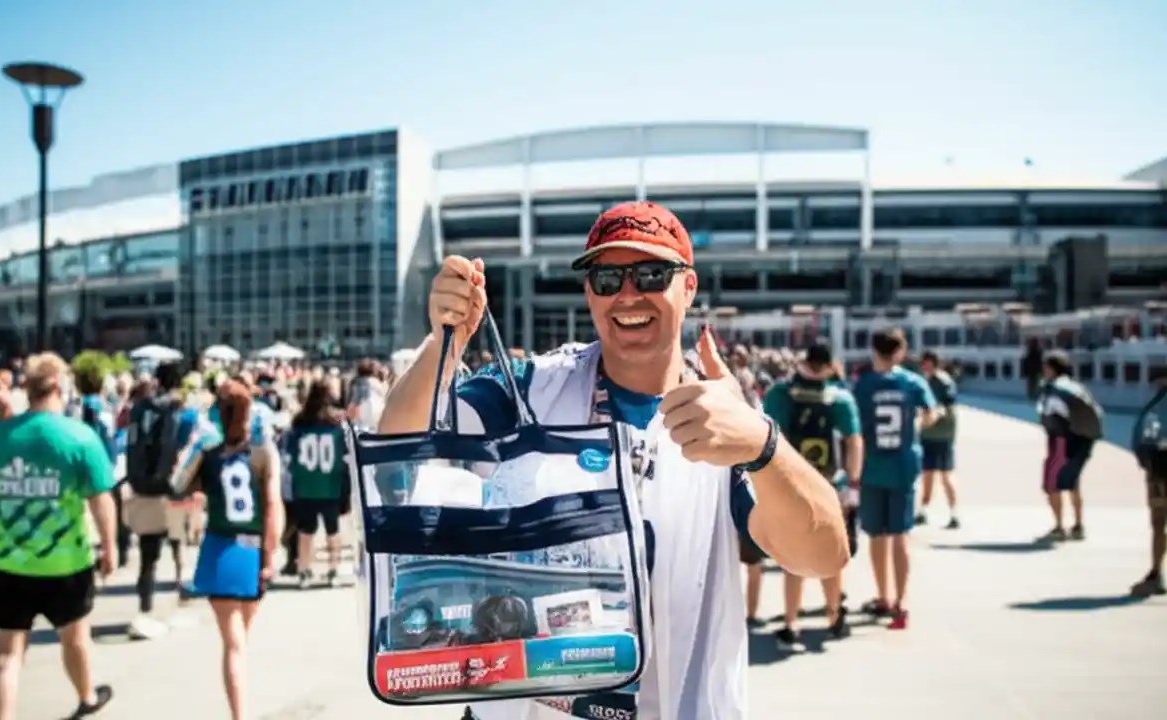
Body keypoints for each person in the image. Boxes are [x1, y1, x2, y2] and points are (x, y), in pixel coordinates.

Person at [377, 201, 849, 719]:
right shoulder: (533, 387)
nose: (628, 294)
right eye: (607, 278)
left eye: (651, 274)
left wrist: (763, 445)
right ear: (589, 292)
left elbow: (823, 556)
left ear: (687, 288)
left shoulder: (723, 417)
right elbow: (398, 439)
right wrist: (445, 340)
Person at [0, 353, 116, 720]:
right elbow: (101, 500)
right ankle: (86, 696)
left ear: (26, 389)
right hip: (66, 562)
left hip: (6, 561)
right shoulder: (80, 436)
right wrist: (110, 546)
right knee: (75, 638)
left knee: (7, 653)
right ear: (61, 386)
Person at [170, 380, 282, 720]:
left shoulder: (209, 453)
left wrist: (193, 448)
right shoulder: (263, 452)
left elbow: (176, 489)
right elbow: (273, 506)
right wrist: (271, 555)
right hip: (253, 551)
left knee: (232, 644)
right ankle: (239, 705)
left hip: (219, 548)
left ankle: (238, 713)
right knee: (241, 640)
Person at [762, 342, 863, 650]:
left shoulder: (779, 393)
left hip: (789, 486)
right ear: (830, 365)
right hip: (830, 486)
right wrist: (853, 484)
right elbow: (854, 442)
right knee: (831, 554)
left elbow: (765, 436)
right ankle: (834, 618)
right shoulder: (841, 398)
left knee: (793, 557)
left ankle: (791, 622)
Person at [853, 328, 940, 631]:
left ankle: (883, 595)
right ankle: (902, 602)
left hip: (872, 467)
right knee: (900, 536)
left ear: (873, 351)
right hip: (904, 465)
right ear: (900, 352)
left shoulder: (863, 385)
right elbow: (932, 414)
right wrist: (915, 424)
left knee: (876, 535)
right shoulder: (912, 382)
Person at [123, 363, 194, 640]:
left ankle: (145, 610)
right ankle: (179, 602)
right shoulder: (182, 411)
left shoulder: (140, 408)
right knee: (179, 545)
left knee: (147, 555)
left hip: (143, 485)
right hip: (173, 485)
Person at [283, 378, 352, 588]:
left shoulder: (300, 422)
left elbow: (290, 454)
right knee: (333, 530)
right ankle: (333, 570)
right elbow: (345, 455)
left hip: (305, 484)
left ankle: (304, 571)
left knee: (305, 532)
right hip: (330, 484)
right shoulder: (335, 424)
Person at [1036, 351, 1103, 542]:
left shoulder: (1054, 390)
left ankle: (1059, 527)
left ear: (1052, 369)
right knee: (1073, 483)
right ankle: (1078, 525)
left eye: (1046, 367)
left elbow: (1048, 413)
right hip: (1083, 441)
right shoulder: (1077, 387)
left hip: (1061, 442)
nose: (1044, 370)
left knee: (1051, 484)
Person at [1131, 367, 1167, 597]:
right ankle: (1155, 574)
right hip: (1159, 469)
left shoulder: (1157, 405)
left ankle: (1156, 574)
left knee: (1158, 523)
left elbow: (1146, 438)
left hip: (1160, 471)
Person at [917, 350, 960, 529]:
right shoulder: (925, 382)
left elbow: (948, 405)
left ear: (934, 363)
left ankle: (954, 513)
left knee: (945, 474)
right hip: (928, 434)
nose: (923, 366)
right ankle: (923, 510)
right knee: (927, 473)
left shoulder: (943, 381)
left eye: (926, 363)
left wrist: (931, 416)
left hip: (941, 435)